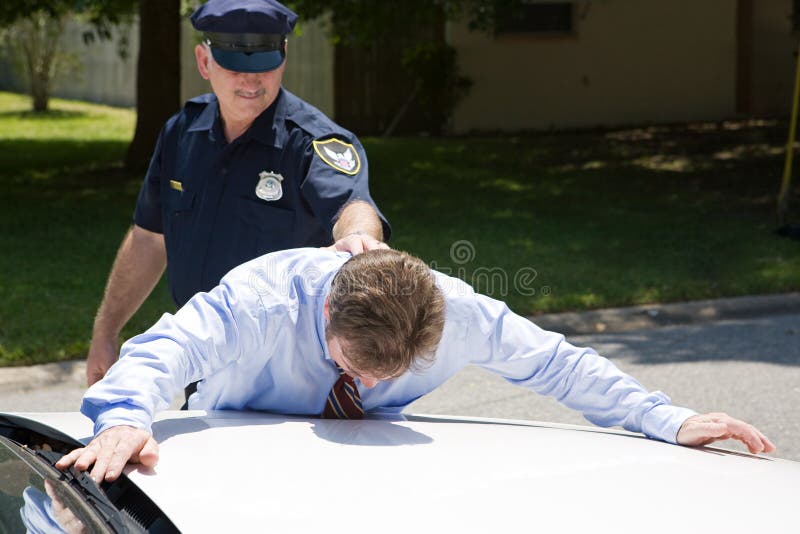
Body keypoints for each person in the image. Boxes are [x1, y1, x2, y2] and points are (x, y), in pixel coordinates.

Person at [58, 248, 775, 483]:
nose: (370, 387)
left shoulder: (457, 311)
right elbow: (168, 348)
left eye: (391, 376)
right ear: (327, 313)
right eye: (355, 368)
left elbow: (557, 365)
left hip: (371, 471)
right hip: (237, 455)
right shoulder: (262, 300)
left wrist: (665, 417)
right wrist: (123, 416)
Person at [85, 0, 390, 387]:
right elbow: (149, 237)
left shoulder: (313, 142)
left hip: (289, 375)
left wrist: (360, 237)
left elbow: (352, 205)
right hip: (202, 361)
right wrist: (106, 330)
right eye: (234, 68)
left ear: (283, 56)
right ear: (204, 61)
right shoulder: (181, 133)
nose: (251, 82)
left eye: (264, 66)